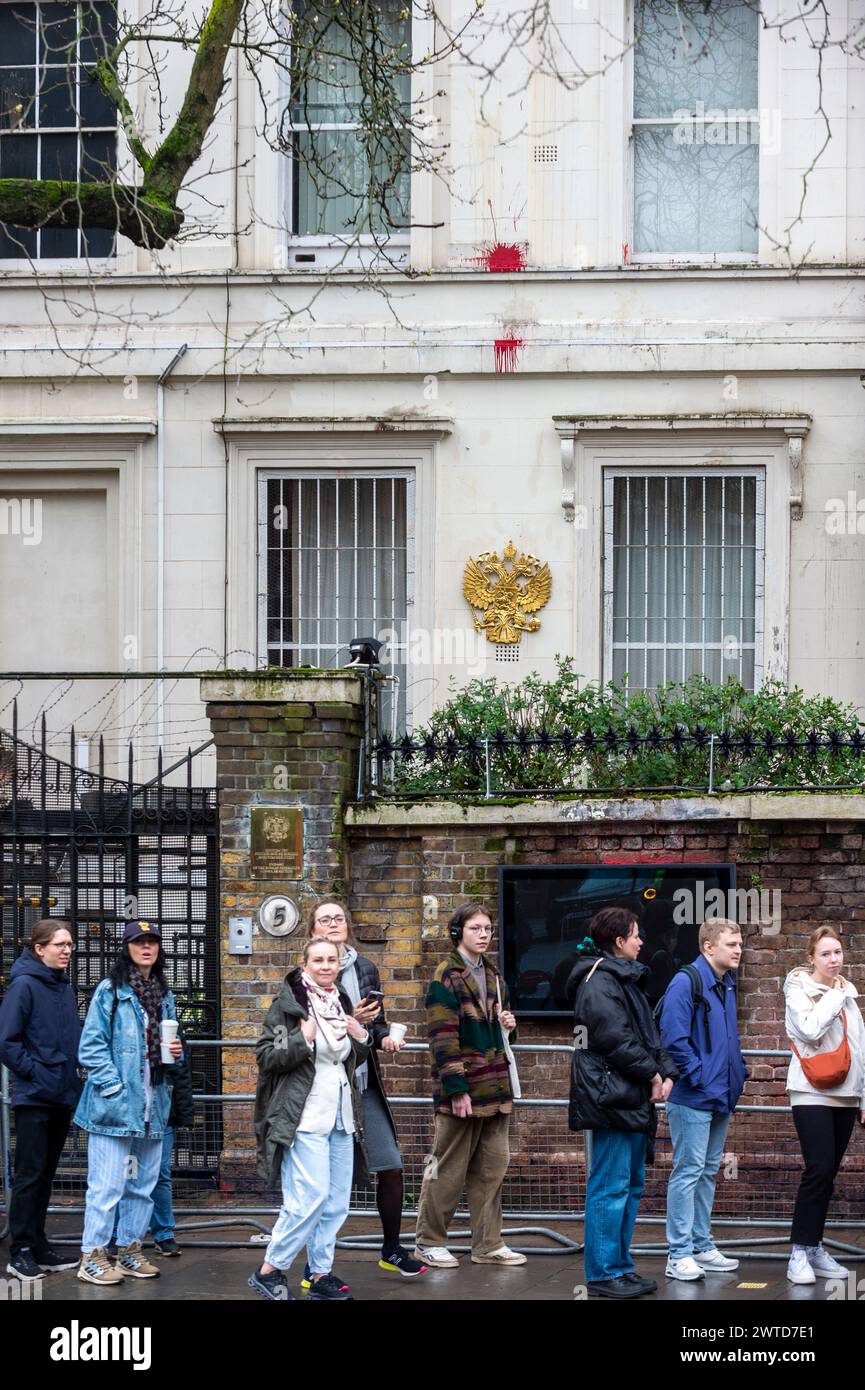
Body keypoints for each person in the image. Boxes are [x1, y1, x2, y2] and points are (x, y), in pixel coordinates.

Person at [308, 901, 426, 1277]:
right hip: (323, 1087)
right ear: (312, 932)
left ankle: (391, 1249)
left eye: (339, 918)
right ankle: (316, 1267)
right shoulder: (302, 977)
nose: (332, 925)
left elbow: (374, 1027)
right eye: (324, 920)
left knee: (391, 1164)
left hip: (362, 1082)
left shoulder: (365, 968)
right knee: (322, 1182)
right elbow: (306, 1033)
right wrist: (351, 1022)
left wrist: (385, 1037)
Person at [249, 936, 370, 1301]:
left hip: (341, 1114)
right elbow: (267, 1055)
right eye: (317, 960)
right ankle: (270, 1269)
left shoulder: (340, 1001)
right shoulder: (289, 1006)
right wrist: (301, 1040)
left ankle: (320, 1273)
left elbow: (345, 1060)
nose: (325, 966)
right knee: (309, 1197)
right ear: (304, 966)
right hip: (304, 1116)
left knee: (336, 1202)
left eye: (331, 960)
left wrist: (361, 1037)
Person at [567, 908, 678, 1299]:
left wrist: (665, 1073)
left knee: (629, 1186)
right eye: (635, 935)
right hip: (611, 1098)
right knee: (610, 1187)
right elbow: (616, 1040)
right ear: (618, 941)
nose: (641, 940)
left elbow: (648, 1036)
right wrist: (652, 1075)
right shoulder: (599, 983)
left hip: (628, 1098)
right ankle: (602, 1273)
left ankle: (620, 1267)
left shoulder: (624, 980)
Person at [413, 902, 526, 1270]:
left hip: (496, 1091)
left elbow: (502, 1033)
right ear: (458, 932)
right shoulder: (446, 975)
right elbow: (442, 1037)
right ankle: (428, 1242)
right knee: (447, 1169)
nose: (483, 935)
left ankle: (488, 1244)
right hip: (463, 1092)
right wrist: (457, 1089)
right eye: (475, 928)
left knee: (492, 1170)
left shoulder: (494, 976)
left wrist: (509, 1024)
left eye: (487, 929)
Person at [74, 921, 182, 1286]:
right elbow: (91, 1047)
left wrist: (176, 1052)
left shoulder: (164, 993)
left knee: (141, 1184)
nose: (146, 948)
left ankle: (130, 1250)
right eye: (139, 942)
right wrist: (116, 1088)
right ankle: (92, 1255)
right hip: (115, 1110)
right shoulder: (110, 991)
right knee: (107, 1185)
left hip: (153, 1107)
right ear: (127, 949)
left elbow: (170, 1050)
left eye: (152, 942)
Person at [659, 917, 747, 1282]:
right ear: (709, 947)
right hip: (694, 1096)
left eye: (740, 943)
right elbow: (674, 1038)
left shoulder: (726, 984)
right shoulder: (686, 982)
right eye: (732, 944)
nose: (739, 949)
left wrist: (732, 1077)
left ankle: (701, 1246)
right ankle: (678, 1253)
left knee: (708, 1170)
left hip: (719, 1095)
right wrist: (699, 1077)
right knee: (688, 1171)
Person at [0, 919, 81, 1282]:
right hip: (35, 1097)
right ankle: (20, 1252)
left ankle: (38, 1243)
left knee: (46, 1176)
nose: (67, 950)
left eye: (69, 944)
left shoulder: (62, 988)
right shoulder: (24, 985)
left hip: (61, 1095)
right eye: (59, 944)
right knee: (30, 1176)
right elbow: (7, 1041)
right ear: (39, 948)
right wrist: (34, 1073)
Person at [784, 926, 865, 1284]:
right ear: (811, 958)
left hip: (846, 1095)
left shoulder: (848, 994)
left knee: (828, 1173)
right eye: (826, 954)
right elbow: (811, 1030)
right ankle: (798, 1253)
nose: (834, 960)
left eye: (838, 953)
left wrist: (863, 1096)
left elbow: (858, 1049)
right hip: (811, 1092)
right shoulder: (798, 991)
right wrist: (836, 993)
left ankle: (814, 1247)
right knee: (817, 1170)